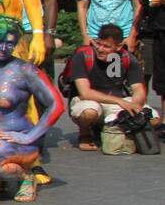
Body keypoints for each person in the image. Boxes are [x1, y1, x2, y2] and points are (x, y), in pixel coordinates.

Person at [0, 16, 65, 202]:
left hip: (17, 138)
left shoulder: (25, 71)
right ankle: (5, 175)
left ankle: (26, 177)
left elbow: (57, 105)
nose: (3, 47)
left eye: (10, 43)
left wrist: (30, 136)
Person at [67, 24, 157, 153]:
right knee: (89, 113)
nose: (100, 49)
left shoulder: (128, 58)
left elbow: (138, 89)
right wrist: (120, 101)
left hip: (116, 102)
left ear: (119, 46)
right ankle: (85, 134)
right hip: (89, 101)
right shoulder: (83, 56)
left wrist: (135, 107)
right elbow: (85, 93)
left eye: (107, 46)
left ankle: (114, 130)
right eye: (99, 44)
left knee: (152, 119)